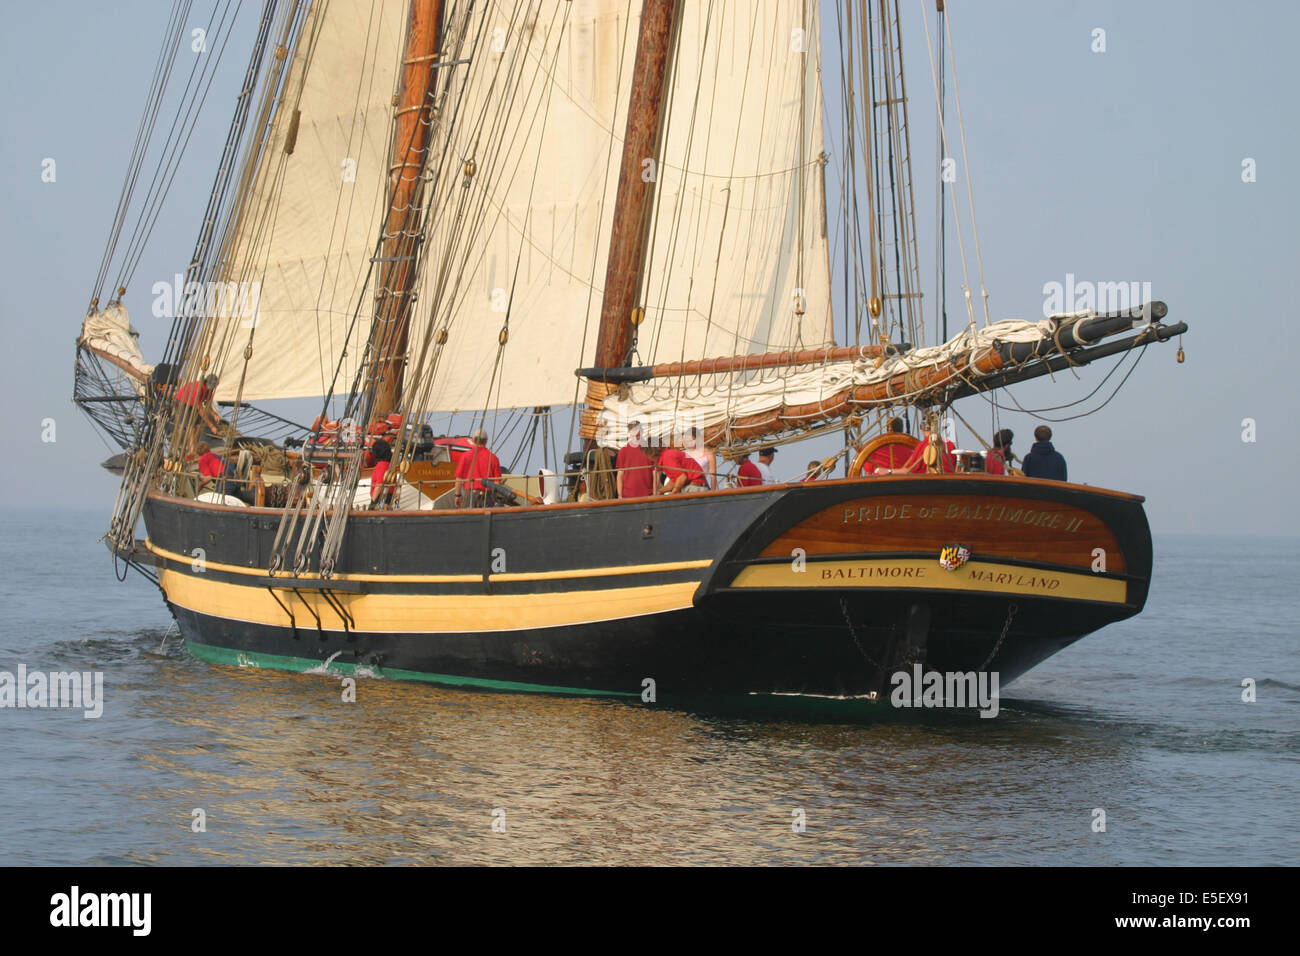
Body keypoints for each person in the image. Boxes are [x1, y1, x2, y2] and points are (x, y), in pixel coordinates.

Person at [455, 428, 502, 508]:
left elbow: (459, 479)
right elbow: (497, 482)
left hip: (469, 495)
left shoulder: (465, 456)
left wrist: (457, 495)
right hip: (488, 496)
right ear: (486, 441)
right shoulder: (493, 458)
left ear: (473, 440)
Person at [176, 373, 221, 455]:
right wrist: (211, 426)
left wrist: (214, 414)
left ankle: (194, 447)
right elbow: (200, 409)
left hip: (194, 404)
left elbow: (207, 403)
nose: (212, 387)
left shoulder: (209, 390)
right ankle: (191, 451)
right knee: (191, 427)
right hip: (184, 402)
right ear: (206, 382)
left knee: (198, 426)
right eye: (212, 385)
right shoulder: (198, 389)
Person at [616, 420, 657, 498]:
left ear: (642, 432)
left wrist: (655, 493)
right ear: (629, 433)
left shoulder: (650, 449)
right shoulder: (623, 451)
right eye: (633, 435)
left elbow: (655, 473)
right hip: (628, 497)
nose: (636, 438)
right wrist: (620, 495)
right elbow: (620, 475)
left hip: (648, 496)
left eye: (638, 435)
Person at [680, 427, 716, 492]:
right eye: (686, 441)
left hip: (700, 487)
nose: (688, 443)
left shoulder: (708, 454)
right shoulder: (683, 454)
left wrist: (713, 491)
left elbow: (713, 476)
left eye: (691, 440)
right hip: (685, 488)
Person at [370, 438, 394, 507]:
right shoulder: (389, 465)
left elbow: (379, 485)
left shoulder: (382, 465)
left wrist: (372, 503)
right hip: (388, 497)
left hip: (381, 498)